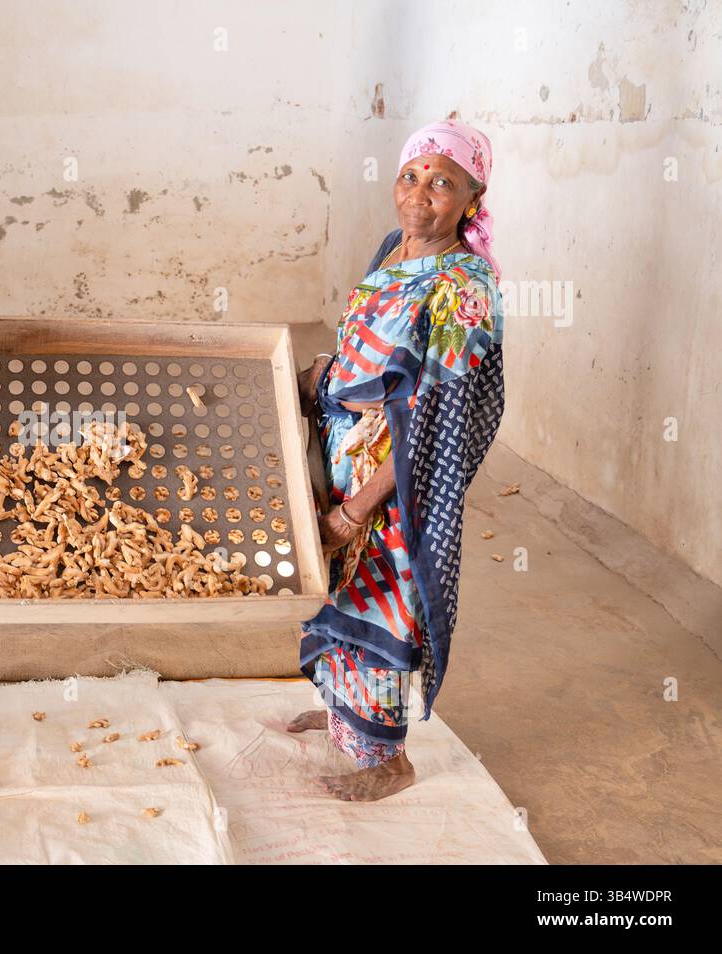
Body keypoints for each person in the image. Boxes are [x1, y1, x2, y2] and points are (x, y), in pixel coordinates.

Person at [287, 119, 506, 802]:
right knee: (340, 590)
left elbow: (437, 421)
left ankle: (386, 758)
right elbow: (369, 349)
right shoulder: (395, 250)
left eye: (443, 182)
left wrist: (356, 508)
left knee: (385, 597)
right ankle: (344, 717)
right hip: (346, 457)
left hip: (396, 482)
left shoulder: (462, 288)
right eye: (411, 176)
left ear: (471, 198)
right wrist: (325, 376)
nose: (420, 194)